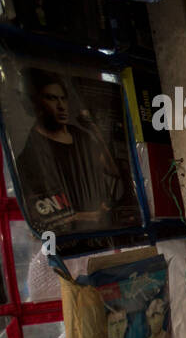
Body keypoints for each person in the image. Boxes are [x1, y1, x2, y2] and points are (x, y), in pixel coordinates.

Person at [14, 69, 127, 233]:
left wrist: (94, 129)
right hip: (77, 237)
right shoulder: (30, 156)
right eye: (51, 98)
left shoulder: (81, 136)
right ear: (35, 104)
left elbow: (113, 170)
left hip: (106, 229)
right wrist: (89, 216)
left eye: (63, 99)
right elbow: (43, 216)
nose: (61, 106)